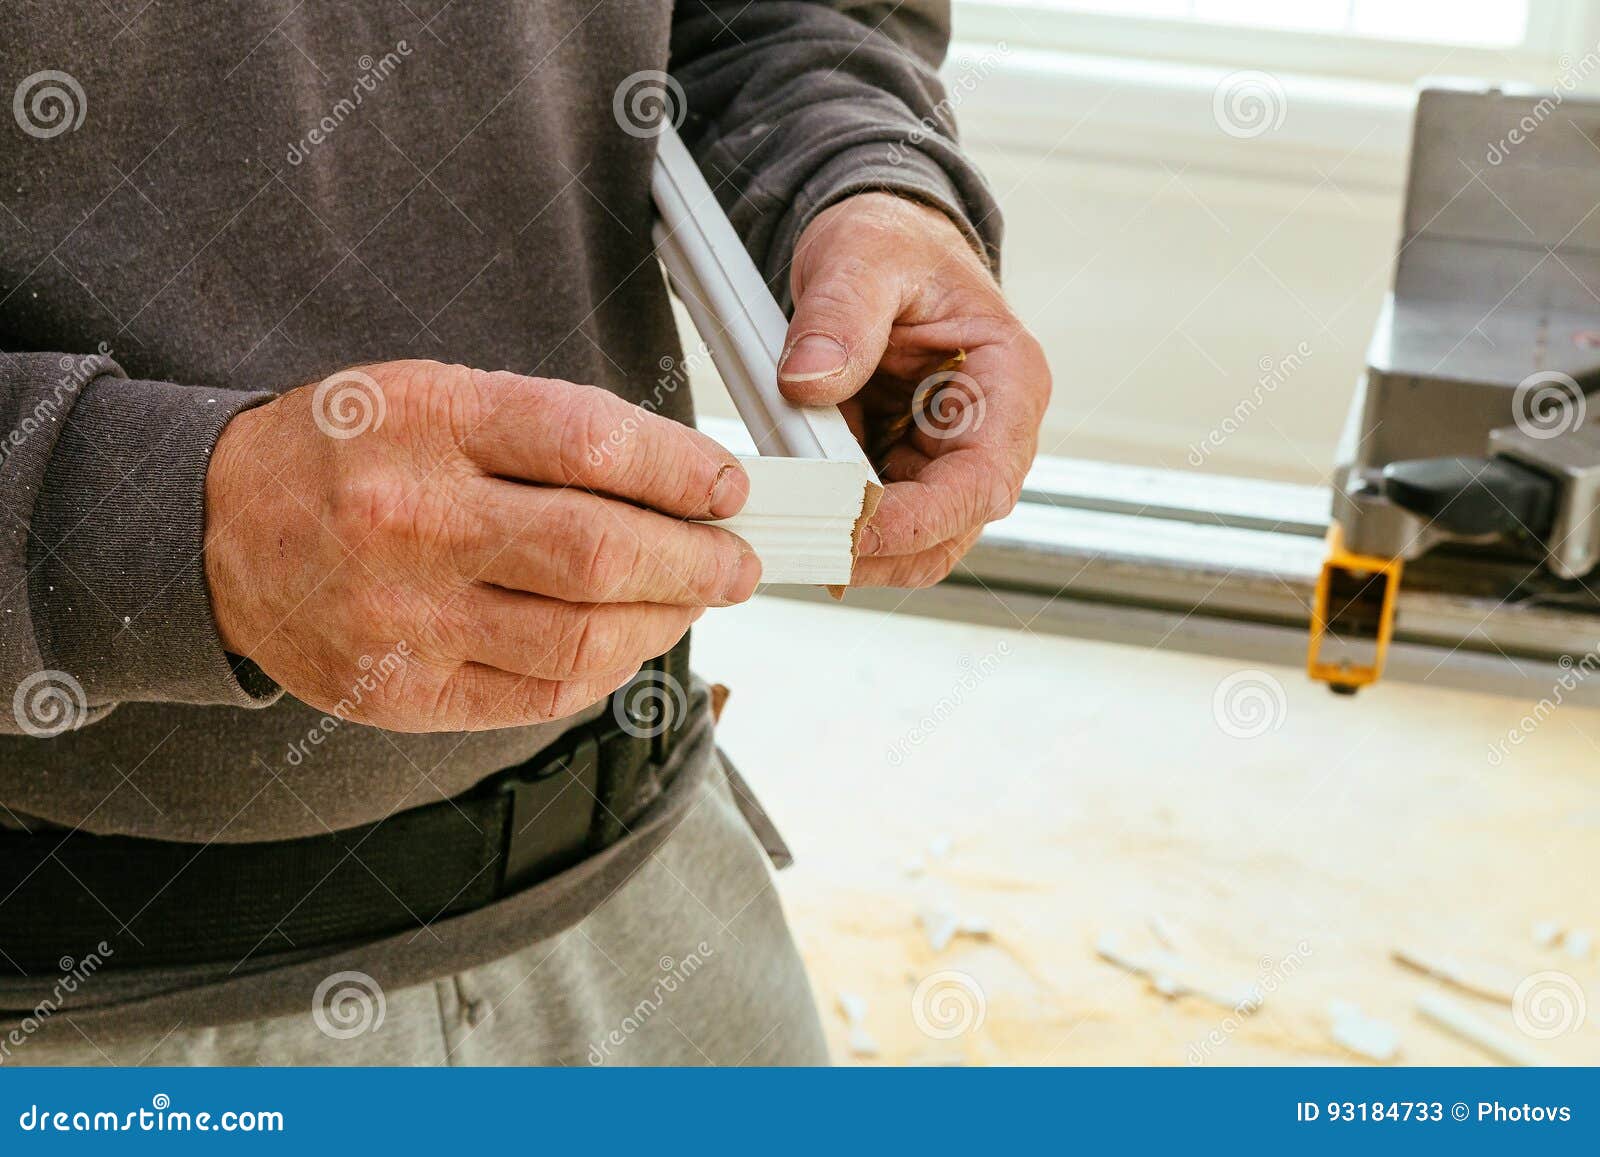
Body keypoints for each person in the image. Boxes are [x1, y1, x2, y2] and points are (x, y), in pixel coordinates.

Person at [0, 0, 1049, 1065]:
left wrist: (860, 177)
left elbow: (778, 18)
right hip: (82, 1001)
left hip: (647, 883)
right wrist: (154, 519)